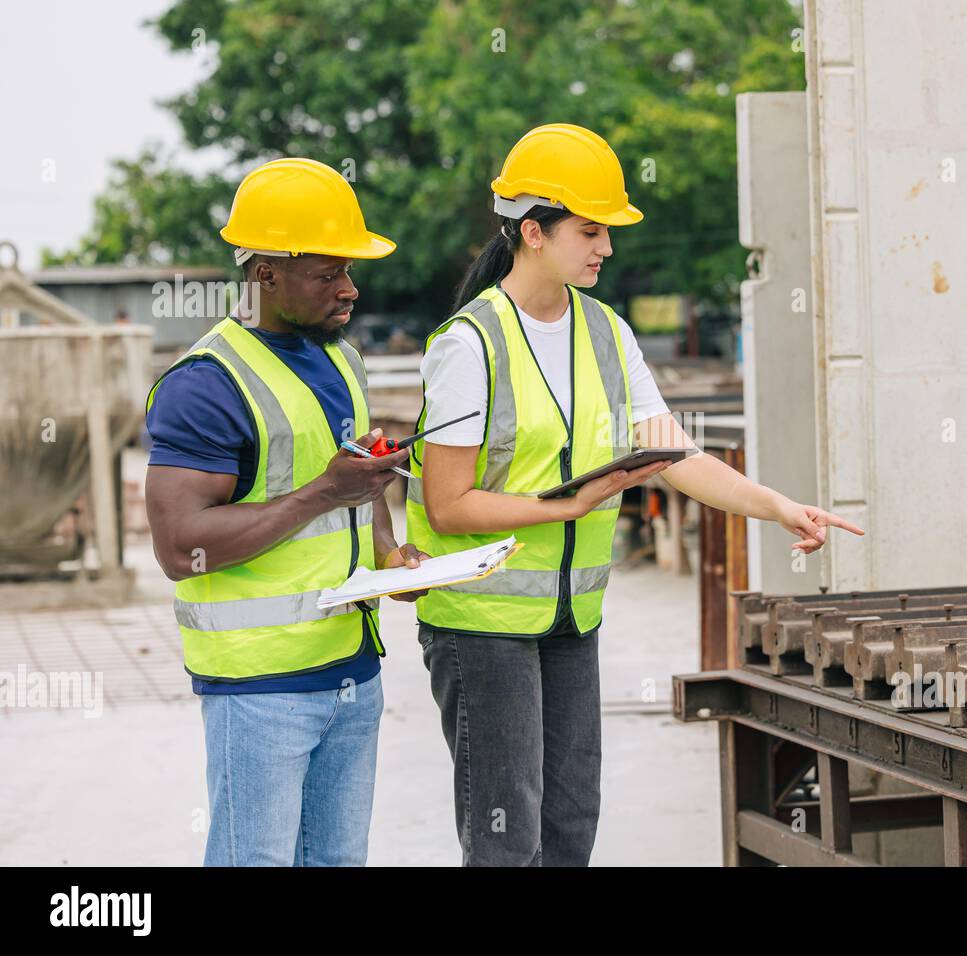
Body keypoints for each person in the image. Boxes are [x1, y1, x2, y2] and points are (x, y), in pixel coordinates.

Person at [407, 123, 865, 866]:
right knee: (505, 838)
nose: (606, 248)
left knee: (570, 827)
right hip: (479, 627)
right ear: (532, 232)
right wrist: (562, 508)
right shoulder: (468, 345)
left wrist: (777, 506)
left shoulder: (606, 333)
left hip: (569, 618)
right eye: (590, 231)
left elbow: (673, 454)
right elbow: (450, 502)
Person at [144, 157, 428, 866]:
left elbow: (357, 485)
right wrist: (323, 493)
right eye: (328, 272)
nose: (350, 288)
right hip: (260, 686)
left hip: (352, 670)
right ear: (265, 273)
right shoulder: (205, 384)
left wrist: (390, 557)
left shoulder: (342, 359)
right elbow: (182, 547)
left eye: (349, 270)